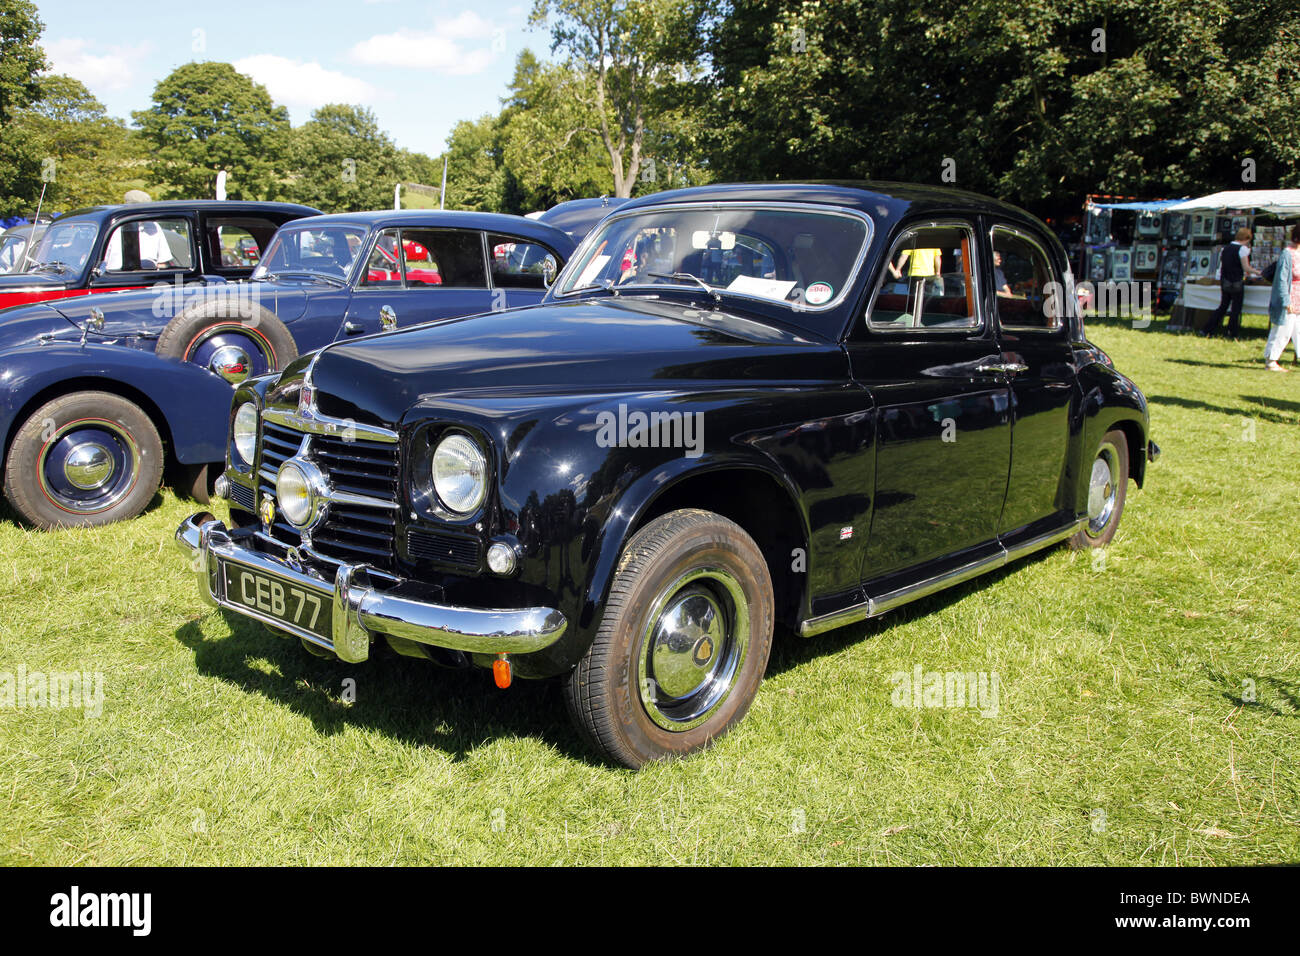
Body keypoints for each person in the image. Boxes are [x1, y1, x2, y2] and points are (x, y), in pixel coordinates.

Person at [1202, 226, 1260, 339]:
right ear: (1247, 238)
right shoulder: (1242, 249)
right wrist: (1257, 272)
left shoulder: (1225, 248)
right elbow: (1246, 268)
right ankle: (1232, 332)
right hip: (1236, 282)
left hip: (1225, 281)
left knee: (1223, 307)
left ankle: (1208, 329)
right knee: (1235, 309)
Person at [1264, 224, 1300, 371]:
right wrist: (1286, 301)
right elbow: (1281, 280)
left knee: (1298, 331)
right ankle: (1271, 360)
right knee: (1282, 330)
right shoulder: (1287, 253)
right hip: (1289, 299)